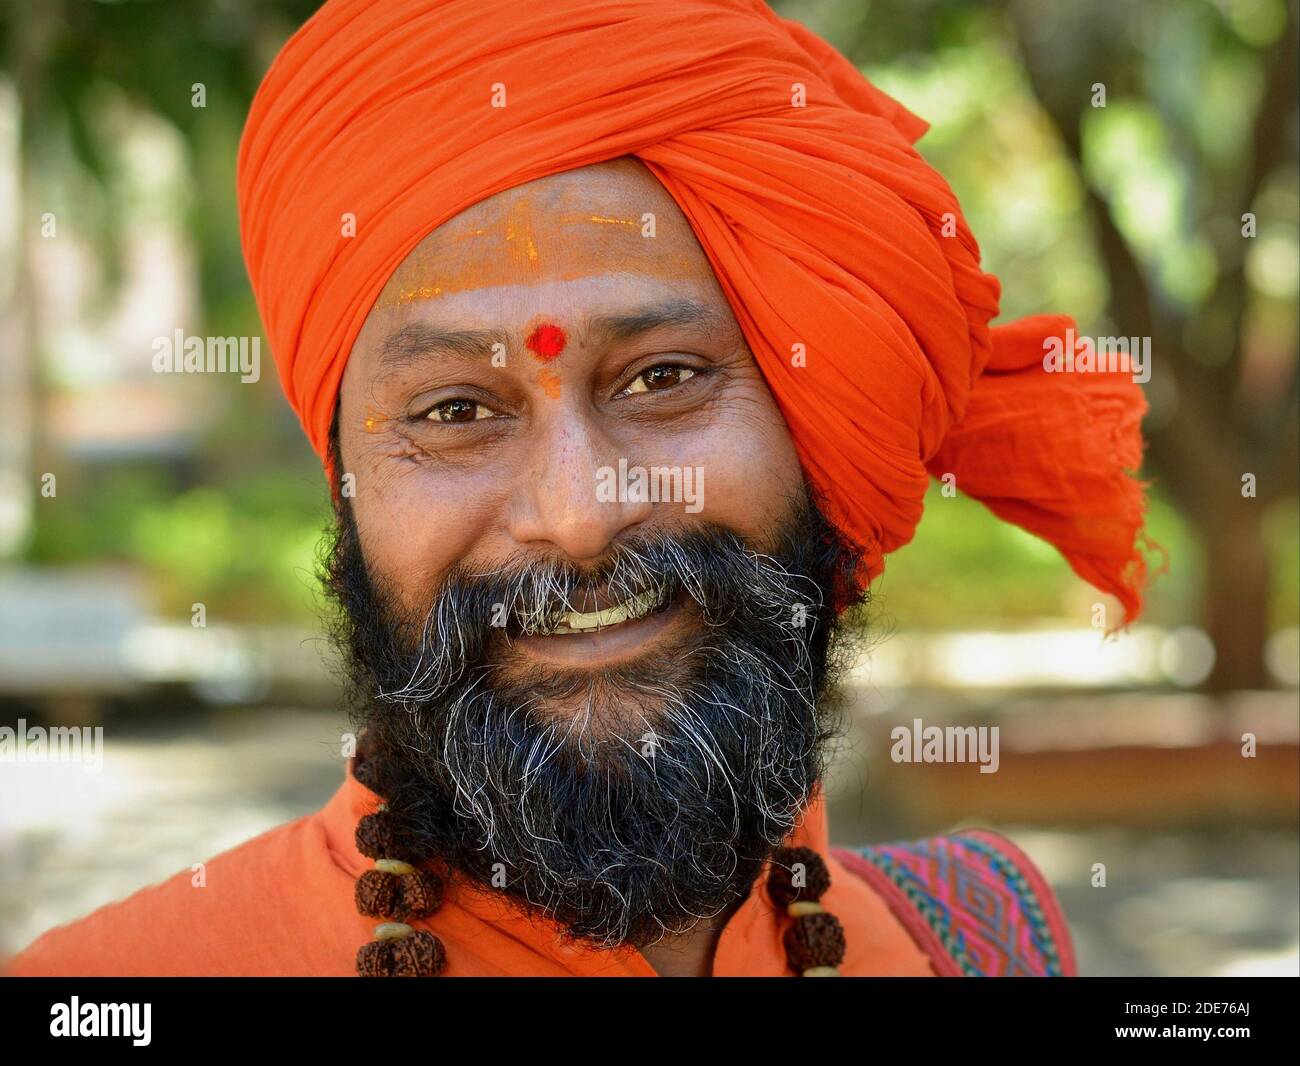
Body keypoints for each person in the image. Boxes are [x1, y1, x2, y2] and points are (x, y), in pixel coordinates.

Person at [6, 0, 1150, 977]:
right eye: (455, 410)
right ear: (346, 480)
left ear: (818, 427)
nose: (581, 511)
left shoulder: (974, 940)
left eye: (662, 378)